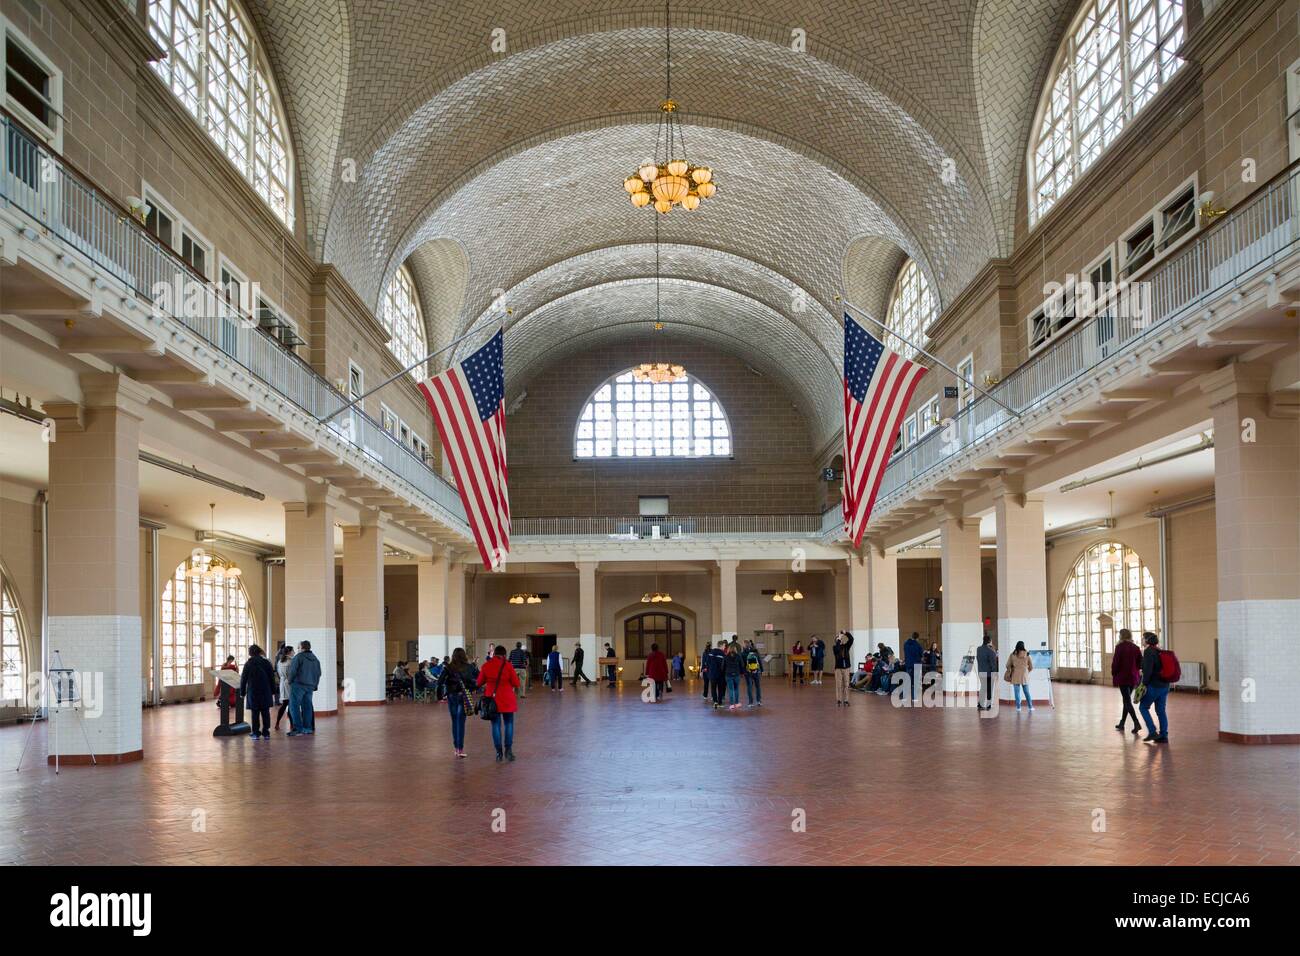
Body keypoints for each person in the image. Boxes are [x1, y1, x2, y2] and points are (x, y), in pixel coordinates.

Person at [478, 645, 522, 761]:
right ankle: (508, 750)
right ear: (504, 655)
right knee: (509, 724)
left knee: (495, 725)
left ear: (494, 654)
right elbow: (516, 683)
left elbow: (479, 682)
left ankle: (498, 753)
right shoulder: (508, 665)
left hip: (492, 701)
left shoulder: (486, 665)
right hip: (507, 700)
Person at [436, 647, 476, 757]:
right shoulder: (469, 667)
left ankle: (456, 748)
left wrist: (440, 696)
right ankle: (461, 749)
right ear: (464, 656)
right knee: (461, 722)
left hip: (452, 696)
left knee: (454, 721)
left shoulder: (448, 667)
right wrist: (471, 688)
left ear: (453, 656)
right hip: (463, 696)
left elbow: (439, 682)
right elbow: (477, 680)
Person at [239, 644, 277, 739]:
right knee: (265, 712)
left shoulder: (248, 664)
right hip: (265, 690)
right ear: (259, 651)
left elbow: (243, 679)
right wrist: (273, 691)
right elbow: (272, 678)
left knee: (254, 713)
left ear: (250, 653)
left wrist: (242, 692)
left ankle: (255, 733)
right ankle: (266, 732)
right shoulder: (266, 663)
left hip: (253, 691)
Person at [1138, 632, 1169, 743]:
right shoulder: (1159, 651)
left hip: (1154, 686)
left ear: (1146, 640)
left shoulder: (1148, 652)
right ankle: (1163, 735)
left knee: (1143, 707)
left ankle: (1152, 732)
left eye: (1143, 638)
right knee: (1161, 711)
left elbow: (1148, 671)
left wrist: (1143, 685)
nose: (1142, 640)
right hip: (1164, 686)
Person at [285, 640, 321, 736]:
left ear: (302, 648)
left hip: (298, 685)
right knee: (307, 707)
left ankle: (298, 729)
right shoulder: (315, 658)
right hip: (310, 687)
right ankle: (307, 728)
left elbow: (293, 671)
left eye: (298, 647)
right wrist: (315, 685)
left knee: (293, 706)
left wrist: (289, 681)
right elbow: (318, 673)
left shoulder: (298, 657)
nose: (297, 649)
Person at [1111, 628, 1142, 735]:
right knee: (1126, 700)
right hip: (1133, 677)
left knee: (1127, 701)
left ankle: (1136, 722)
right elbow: (1140, 663)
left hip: (1123, 677)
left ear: (1121, 636)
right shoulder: (1136, 648)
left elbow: (1116, 663)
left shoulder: (1119, 648)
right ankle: (1122, 723)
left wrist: (1114, 673)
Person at [1006, 640, 1034, 712]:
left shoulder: (1012, 655)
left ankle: (1018, 707)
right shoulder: (1027, 655)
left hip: (1015, 675)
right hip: (1024, 675)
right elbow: (1031, 666)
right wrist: (1026, 672)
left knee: (1017, 692)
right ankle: (1030, 707)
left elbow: (1007, 665)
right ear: (1023, 646)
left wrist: (1011, 668)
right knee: (1026, 692)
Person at [274, 645, 295, 732]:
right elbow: (293, 674)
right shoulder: (291, 661)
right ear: (289, 652)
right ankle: (292, 724)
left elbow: (278, 673)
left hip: (283, 683)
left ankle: (278, 723)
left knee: (285, 704)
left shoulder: (280, 661)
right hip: (289, 684)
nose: (294, 652)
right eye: (293, 651)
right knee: (289, 704)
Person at [832, 631, 855, 706]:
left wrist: (846, 633)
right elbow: (837, 649)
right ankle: (838, 700)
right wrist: (839, 638)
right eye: (838, 639)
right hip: (838, 668)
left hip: (846, 668)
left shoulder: (846, 646)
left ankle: (846, 700)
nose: (840, 639)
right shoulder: (835, 647)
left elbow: (851, 639)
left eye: (841, 639)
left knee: (846, 684)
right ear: (836, 641)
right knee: (838, 684)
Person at [976, 634, 997, 711]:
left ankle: (980, 703)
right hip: (989, 673)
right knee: (989, 689)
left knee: (983, 688)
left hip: (981, 672)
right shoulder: (990, 651)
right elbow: (993, 664)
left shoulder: (978, 649)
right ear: (990, 641)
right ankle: (988, 704)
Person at [722, 642, 744, 710]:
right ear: (735, 649)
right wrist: (742, 673)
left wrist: (724, 673)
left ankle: (731, 704)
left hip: (728, 675)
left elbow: (723, 666)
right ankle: (737, 703)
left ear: (729, 649)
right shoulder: (738, 656)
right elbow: (742, 665)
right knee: (736, 689)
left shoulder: (725, 656)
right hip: (736, 674)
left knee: (730, 689)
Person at [903, 632, 924, 702]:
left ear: (911, 636)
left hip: (908, 664)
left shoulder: (906, 644)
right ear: (917, 638)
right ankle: (914, 697)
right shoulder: (918, 645)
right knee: (916, 681)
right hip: (916, 664)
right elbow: (921, 654)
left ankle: (905, 697)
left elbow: (905, 653)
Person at [707, 640, 728, 708]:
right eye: (724, 646)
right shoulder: (722, 654)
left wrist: (709, 671)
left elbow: (708, 663)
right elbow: (724, 665)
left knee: (713, 688)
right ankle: (720, 703)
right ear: (721, 646)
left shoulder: (711, 653)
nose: (725, 647)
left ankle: (715, 702)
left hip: (712, 674)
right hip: (720, 674)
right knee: (720, 688)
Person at [743, 640, 764, 707]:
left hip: (748, 672)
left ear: (745, 645)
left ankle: (750, 702)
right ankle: (759, 701)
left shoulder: (743, 653)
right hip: (756, 671)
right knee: (757, 686)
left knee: (749, 687)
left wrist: (743, 671)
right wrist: (762, 670)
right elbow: (760, 661)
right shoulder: (755, 652)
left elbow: (742, 664)